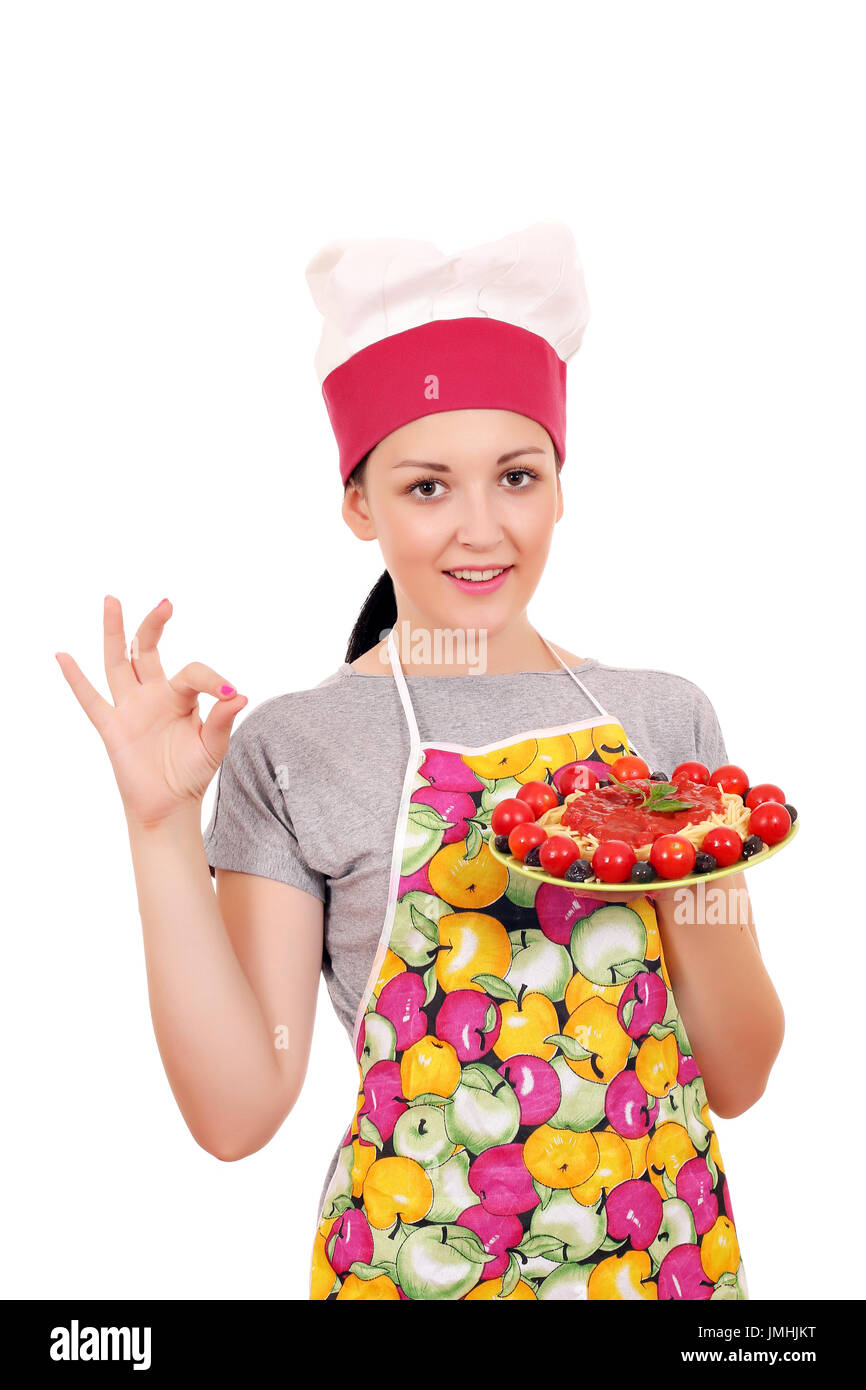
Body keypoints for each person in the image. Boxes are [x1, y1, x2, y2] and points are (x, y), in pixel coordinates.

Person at [55, 222, 785, 1301]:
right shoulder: (296, 746)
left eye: (516, 476)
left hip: (660, 1276)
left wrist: (692, 849)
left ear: (558, 484)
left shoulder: (664, 721)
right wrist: (159, 827)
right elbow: (236, 1110)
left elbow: (739, 1070)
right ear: (359, 502)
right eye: (426, 487)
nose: (480, 528)